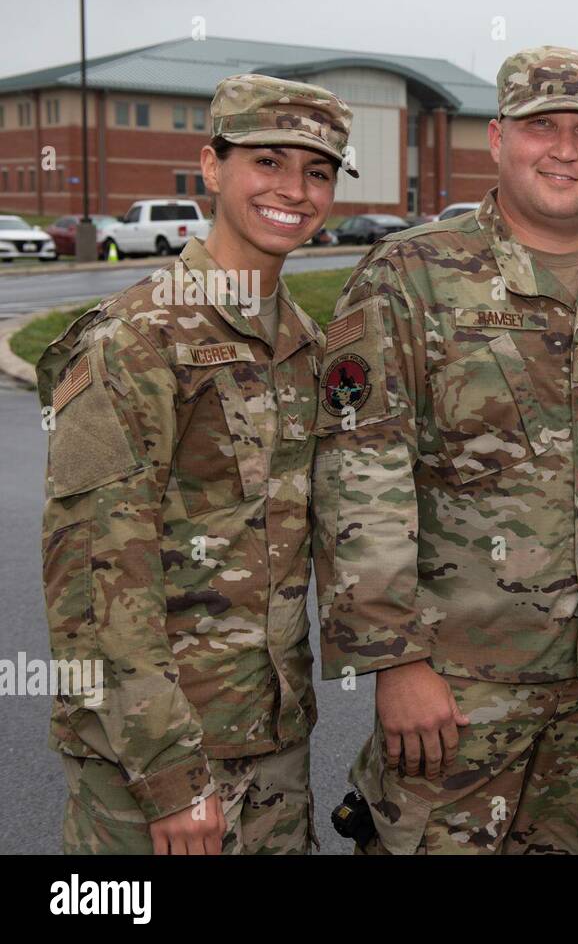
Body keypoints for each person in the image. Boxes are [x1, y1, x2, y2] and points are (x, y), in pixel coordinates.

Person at [310, 46, 578, 854]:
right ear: (496, 139)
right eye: (541, 127)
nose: (565, 149)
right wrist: (396, 661)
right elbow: (360, 475)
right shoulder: (411, 277)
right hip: (453, 686)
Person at [37, 74, 354, 854]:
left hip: (271, 742)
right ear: (211, 167)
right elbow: (93, 578)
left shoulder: (303, 346)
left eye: (318, 172)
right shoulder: (135, 340)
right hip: (150, 764)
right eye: (269, 162)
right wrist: (172, 778)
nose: (295, 190)